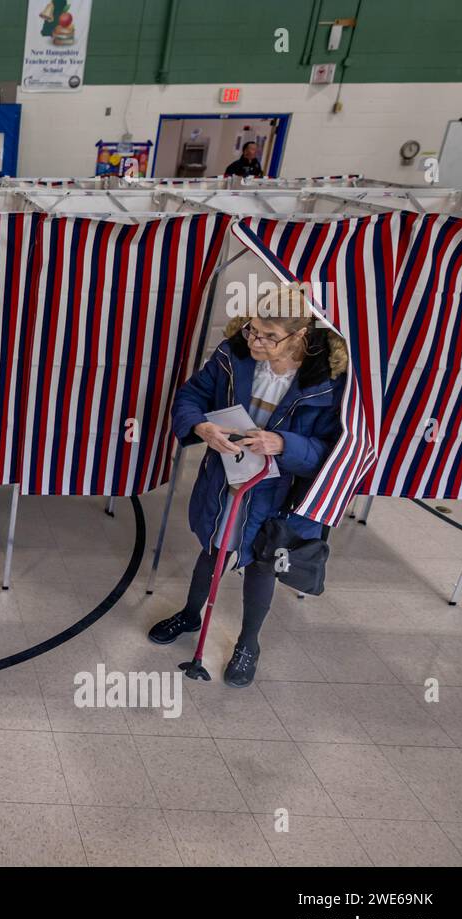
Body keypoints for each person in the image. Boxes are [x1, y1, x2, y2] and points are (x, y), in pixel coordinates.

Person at [147, 283, 348, 687]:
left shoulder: (329, 381)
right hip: (229, 476)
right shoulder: (232, 354)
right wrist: (201, 426)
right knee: (214, 549)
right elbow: (190, 397)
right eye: (253, 330)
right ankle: (190, 614)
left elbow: (335, 450)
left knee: (261, 564)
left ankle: (248, 644)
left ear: (301, 335)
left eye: (269, 336)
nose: (255, 341)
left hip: (280, 492)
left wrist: (283, 443)